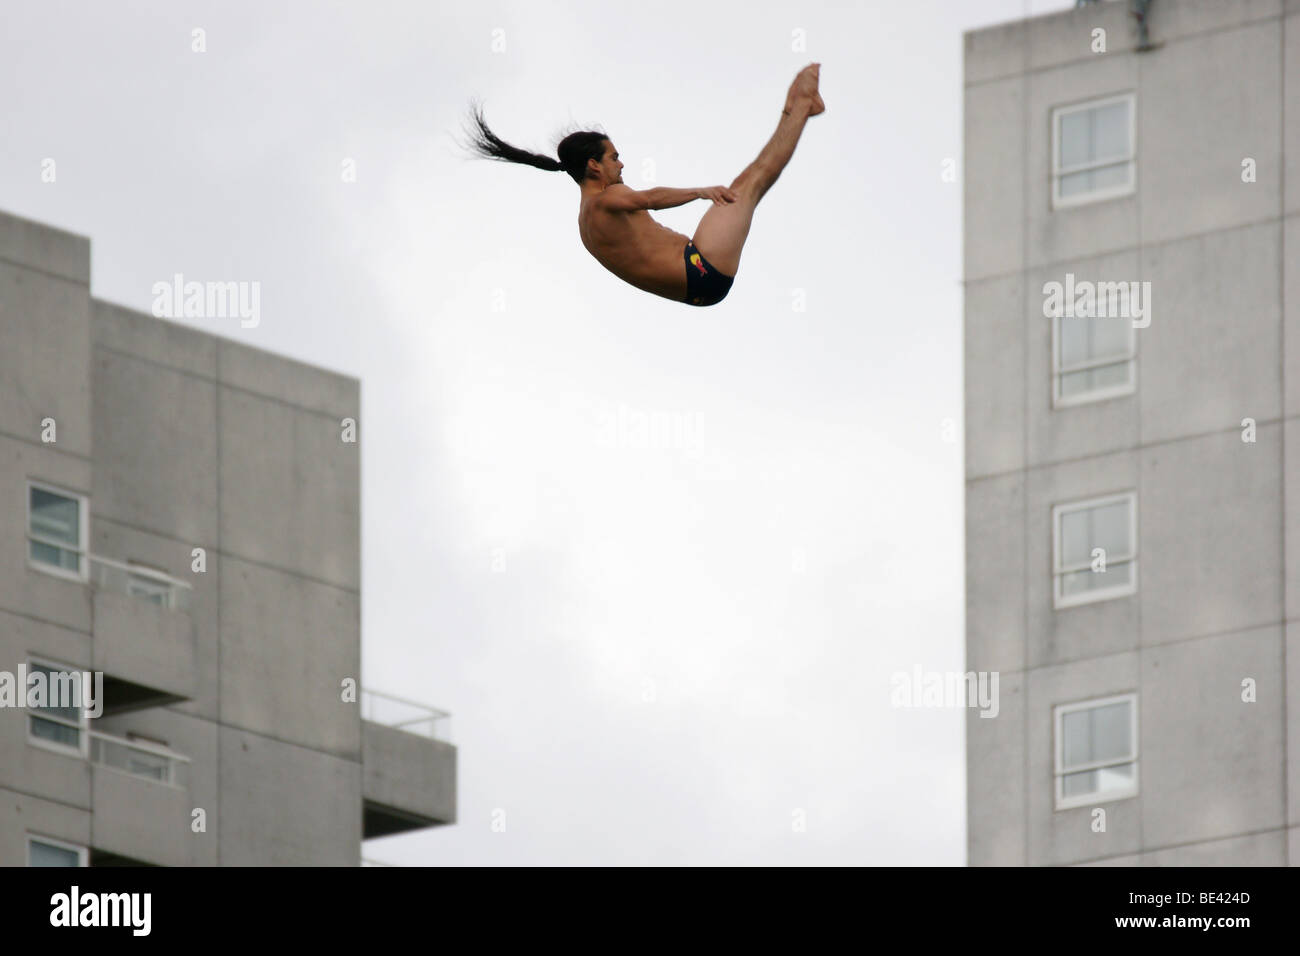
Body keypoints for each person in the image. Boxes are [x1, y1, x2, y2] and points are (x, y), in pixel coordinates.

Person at [461, 64, 824, 307]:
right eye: (614, 157)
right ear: (593, 165)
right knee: (749, 185)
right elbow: (650, 199)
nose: (621, 165)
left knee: (749, 184)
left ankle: (794, 110)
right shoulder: (606, 200)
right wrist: (700, 191)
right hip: (701, 267)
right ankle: (804, 105)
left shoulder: (585, 225)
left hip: (699, 288)